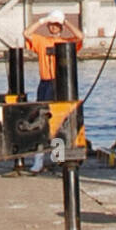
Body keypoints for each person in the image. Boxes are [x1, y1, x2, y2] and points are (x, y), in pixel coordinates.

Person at [23, 10, 83, 172]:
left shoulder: (66, 41)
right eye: (52, 25)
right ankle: (39, 159)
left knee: (60, 120)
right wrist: (42, 20)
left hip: (61, 82)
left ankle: (58, 156)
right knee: (41, 120)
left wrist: (66, 22)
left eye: (57, 26)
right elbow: (27, 33)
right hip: (45, 82)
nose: (54, 28)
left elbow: (80, 37)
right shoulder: (42, 41)